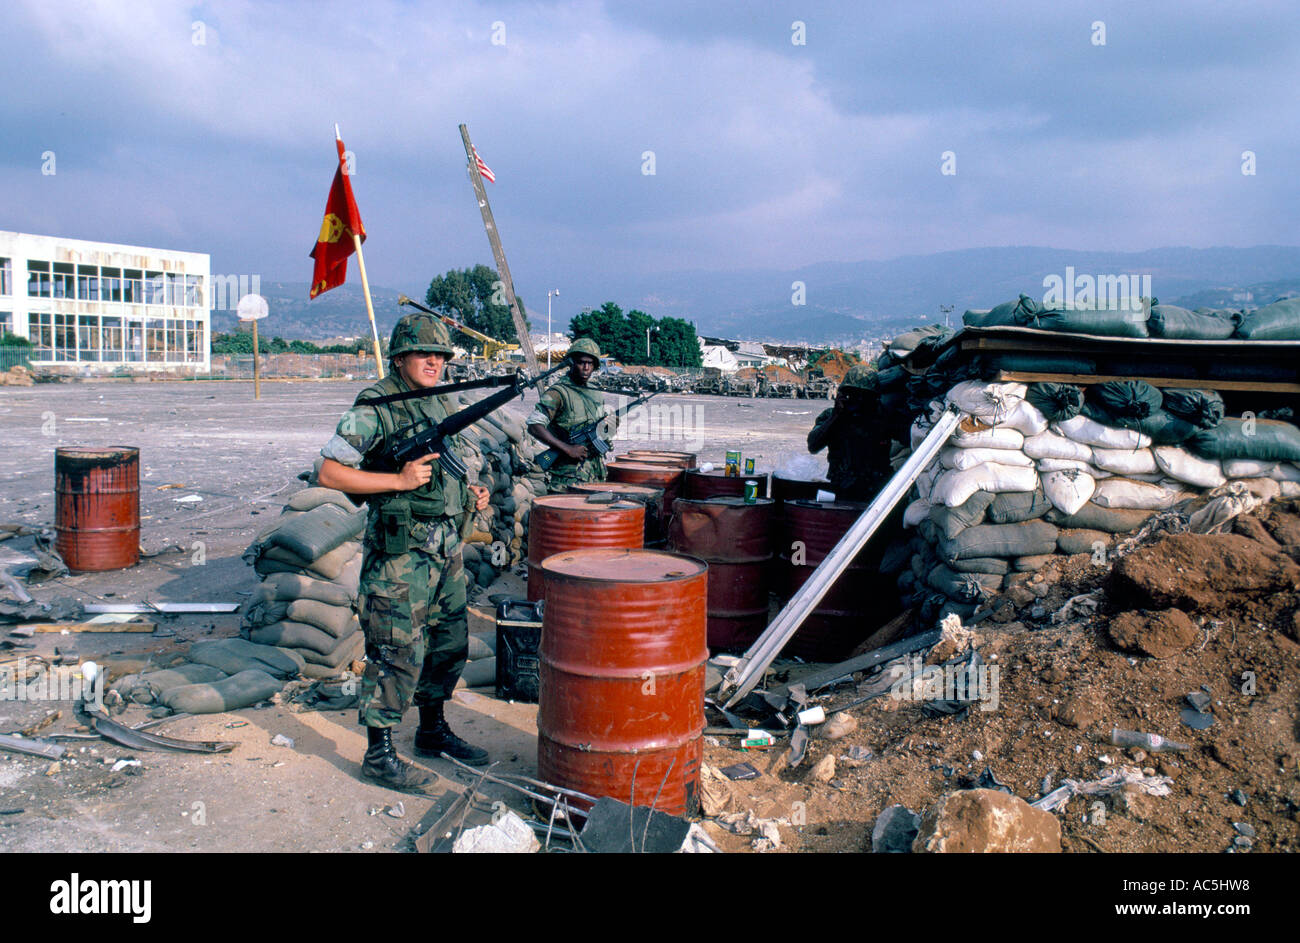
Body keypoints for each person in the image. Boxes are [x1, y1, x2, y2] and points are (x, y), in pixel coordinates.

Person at [317, 312, 492, 795]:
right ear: (400, 357)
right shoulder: (376, 406)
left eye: (441, 355)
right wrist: (395, 480)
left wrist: (472, 492)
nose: (435, 361)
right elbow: (329, 473)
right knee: (396, 651)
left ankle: (432, 730)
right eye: (425, 354)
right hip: (400, 558)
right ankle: (379, 754)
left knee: (449, 644)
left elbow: (444, 468)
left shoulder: (439, 403)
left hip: (446, 550)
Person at [527, 337, 615, 494]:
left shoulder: (595, 392)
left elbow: (600, 428)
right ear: (572, 363)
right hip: (567, 478)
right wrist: (567, 448)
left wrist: (609, 427)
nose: (586, 367)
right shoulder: (558, 392)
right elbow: (534, 426)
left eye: (590, 363)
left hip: (594, 473)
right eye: (581, 362)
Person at [806, 364, 895, 502]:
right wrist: (836, 416)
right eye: (853, 394)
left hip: (875, 490)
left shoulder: (884, 419)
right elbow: (813, 446)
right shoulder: (832, 417)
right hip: (841, 488)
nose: (858, 400)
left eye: (864, 396)